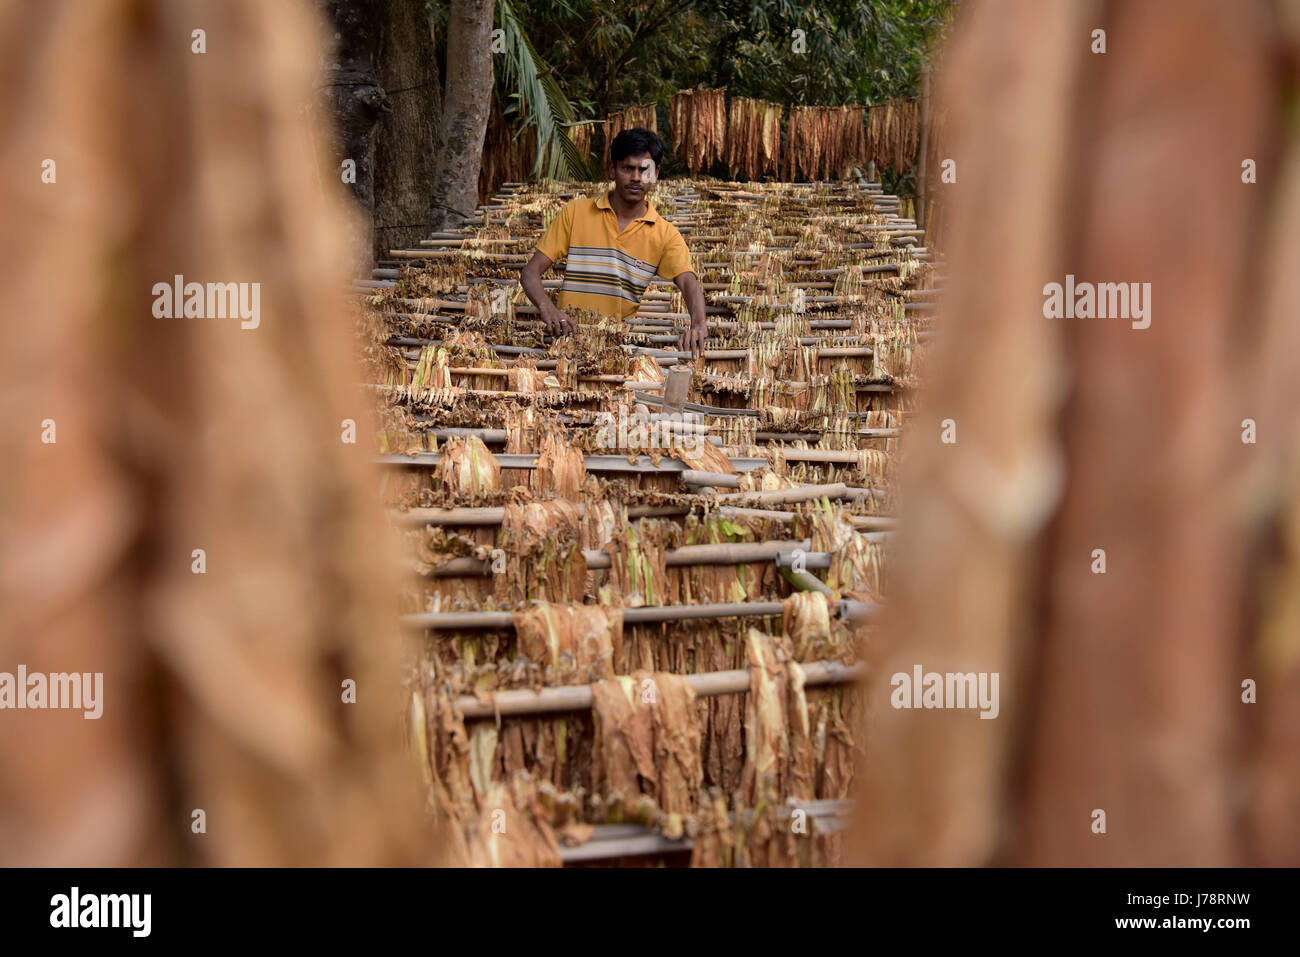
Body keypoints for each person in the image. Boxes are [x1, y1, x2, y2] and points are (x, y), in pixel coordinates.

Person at [519, 127, 710, 358]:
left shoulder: (665, 234)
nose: (636, 177)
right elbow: (530, 272)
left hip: (614, 353)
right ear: (612, 169)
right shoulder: (575, 213)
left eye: (644, 170)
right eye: (627, 168)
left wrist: (699, 324)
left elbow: (689, 282)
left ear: (655, 174)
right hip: (562, 346)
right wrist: (548, 308)